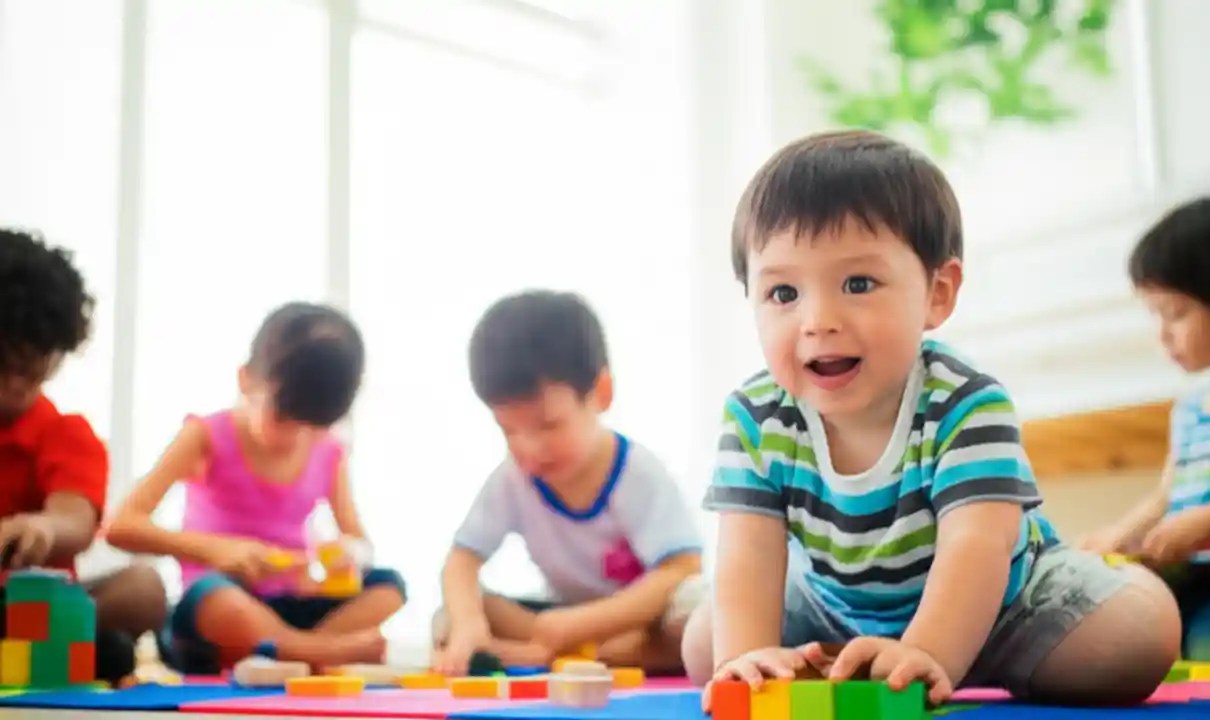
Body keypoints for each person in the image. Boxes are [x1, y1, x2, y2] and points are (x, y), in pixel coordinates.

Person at [680, 131, 1181, 707]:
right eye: (783, 292)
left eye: (858, 284)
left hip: (1001, 604)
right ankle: (860, 657)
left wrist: (931, 653)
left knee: (1133, 642)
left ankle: (1112, 579)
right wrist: (746, 654)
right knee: (707, 646)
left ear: (937, 294)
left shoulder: (966, 403)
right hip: (836, 609)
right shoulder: (755, 416)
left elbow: (977, 546)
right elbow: (749, 550)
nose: (818, 320)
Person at [106, 302, 405, 671]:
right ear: (245, 379)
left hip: (291, 602)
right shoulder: (206, 435)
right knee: (215, 601)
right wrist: (214, 550)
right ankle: (319, 653)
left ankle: (293, 653)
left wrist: (345, 556)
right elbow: (121, 525)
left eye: (310, 425)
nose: (294, 436)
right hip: (223, 603)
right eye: (281, 417)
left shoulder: (328, 450)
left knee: (389, 585)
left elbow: (358, 541)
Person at [432, 290, 703, 676]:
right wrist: (469, 624)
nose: (529, 448)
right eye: (508, 429)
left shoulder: (637, 473)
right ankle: (569, 653)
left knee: (697, 611)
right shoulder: (512, 478)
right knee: (450, 615)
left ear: (601, 393)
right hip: (557, 619)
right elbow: (461, 562)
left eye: (548, 425)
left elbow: (681, 568)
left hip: (637, 621)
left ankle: (569, 652)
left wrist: (580, 626)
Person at [1081, 187, 1210, 660]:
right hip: (1196, 577)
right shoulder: (1191, 409)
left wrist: (1208, 521)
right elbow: (1168, 496)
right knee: (1127, 635)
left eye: (1177, 313)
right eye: (1156, 315)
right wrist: (1120, 535)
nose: (1163, 334)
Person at [0, 228, 168, 684]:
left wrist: (40, 527)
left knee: (144, 588)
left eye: (33, 368)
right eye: (4, 364)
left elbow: (74, 519)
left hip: (38, 608)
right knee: (107, 650)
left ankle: (54, 644)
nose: (17, 384)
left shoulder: (64, 433)